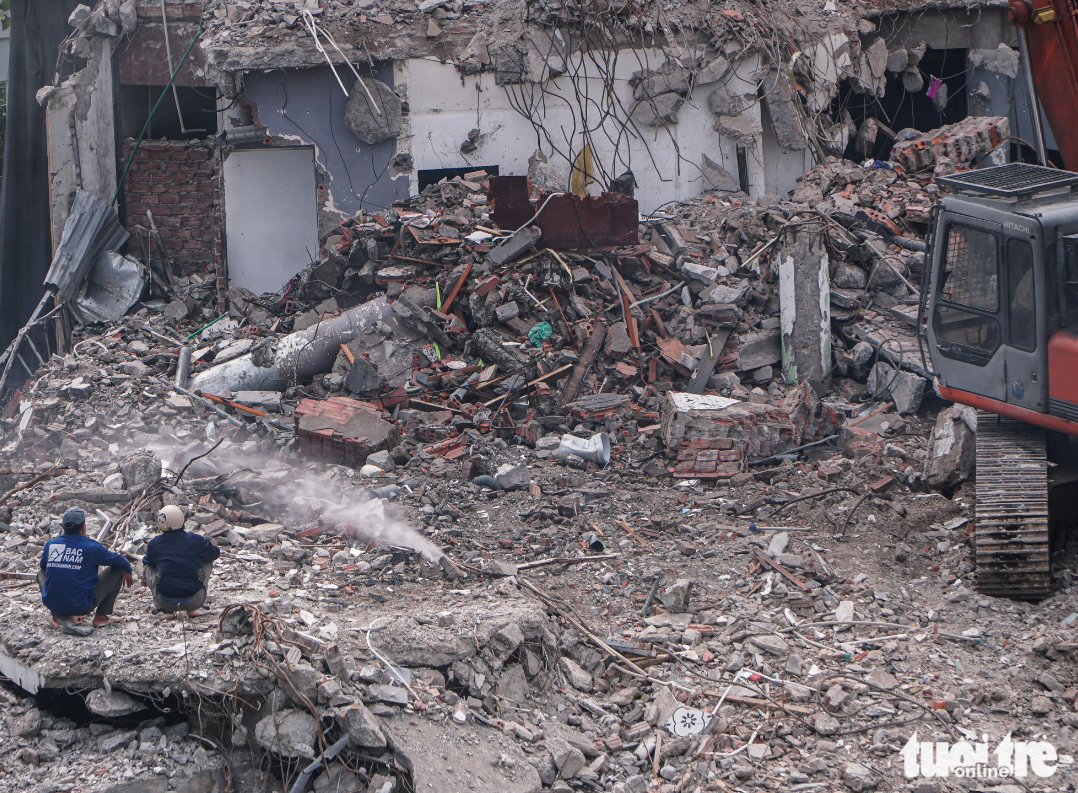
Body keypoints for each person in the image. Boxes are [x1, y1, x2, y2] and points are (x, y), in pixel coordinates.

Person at [39, 507, 133, 636]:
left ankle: (56, 617)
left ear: (63, 526)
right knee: (117, 570)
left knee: (41, 573)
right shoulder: (92, 547)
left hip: (53, 604)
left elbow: (43, 565)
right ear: (83, 527)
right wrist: (127, 570)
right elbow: (120, 561)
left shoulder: (51, 545)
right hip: (81, 605)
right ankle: (101, 617)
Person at [142, 505, 220, 617]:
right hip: (194, 600)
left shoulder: (155, 543)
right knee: (207, 559)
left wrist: (144, 577)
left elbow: (149, 563)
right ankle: (195, 608)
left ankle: (163, 610)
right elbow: (214, 553)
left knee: (148, 564)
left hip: (164, 601)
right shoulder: (196, 540)